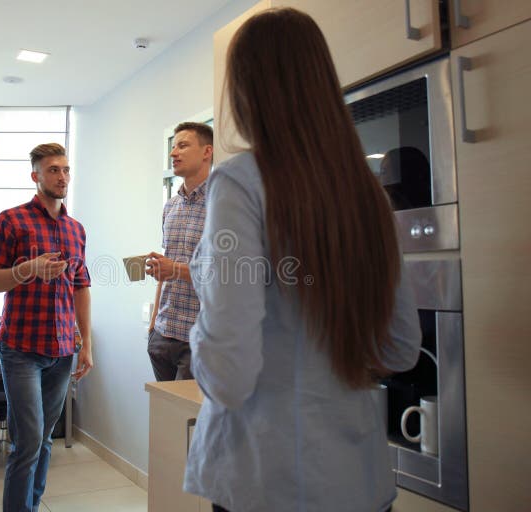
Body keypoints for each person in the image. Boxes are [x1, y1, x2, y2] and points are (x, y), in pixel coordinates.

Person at [182, 8, 422, 512]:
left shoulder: (241, 181)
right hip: (362, 483)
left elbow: (228, 374)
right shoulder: (368, 192)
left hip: (268, 482)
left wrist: (199, 334)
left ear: (247, 91)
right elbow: (400, 349)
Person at [0, 142, 93, 512]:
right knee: (27, 442)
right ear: (36, 176)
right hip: (21, 349)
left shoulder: (76, 230)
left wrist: (85, 344)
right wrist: (28, 269)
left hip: (62, 351)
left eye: (65, 170)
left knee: (44, 439)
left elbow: (81, 288)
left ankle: (33, 503)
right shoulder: (11, 220)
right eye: (53, 170)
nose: (62, 177)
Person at [146, 122, 213, 381]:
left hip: (200, 340)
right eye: (173, 147)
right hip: (162, 335)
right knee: (164, 421)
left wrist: (173, 269)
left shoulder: (224, 206)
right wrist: (153, 325)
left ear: (207, 152)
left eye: (183, 146)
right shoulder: (170, 207)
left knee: (187, 421)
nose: (173, 153)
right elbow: (165, 269)